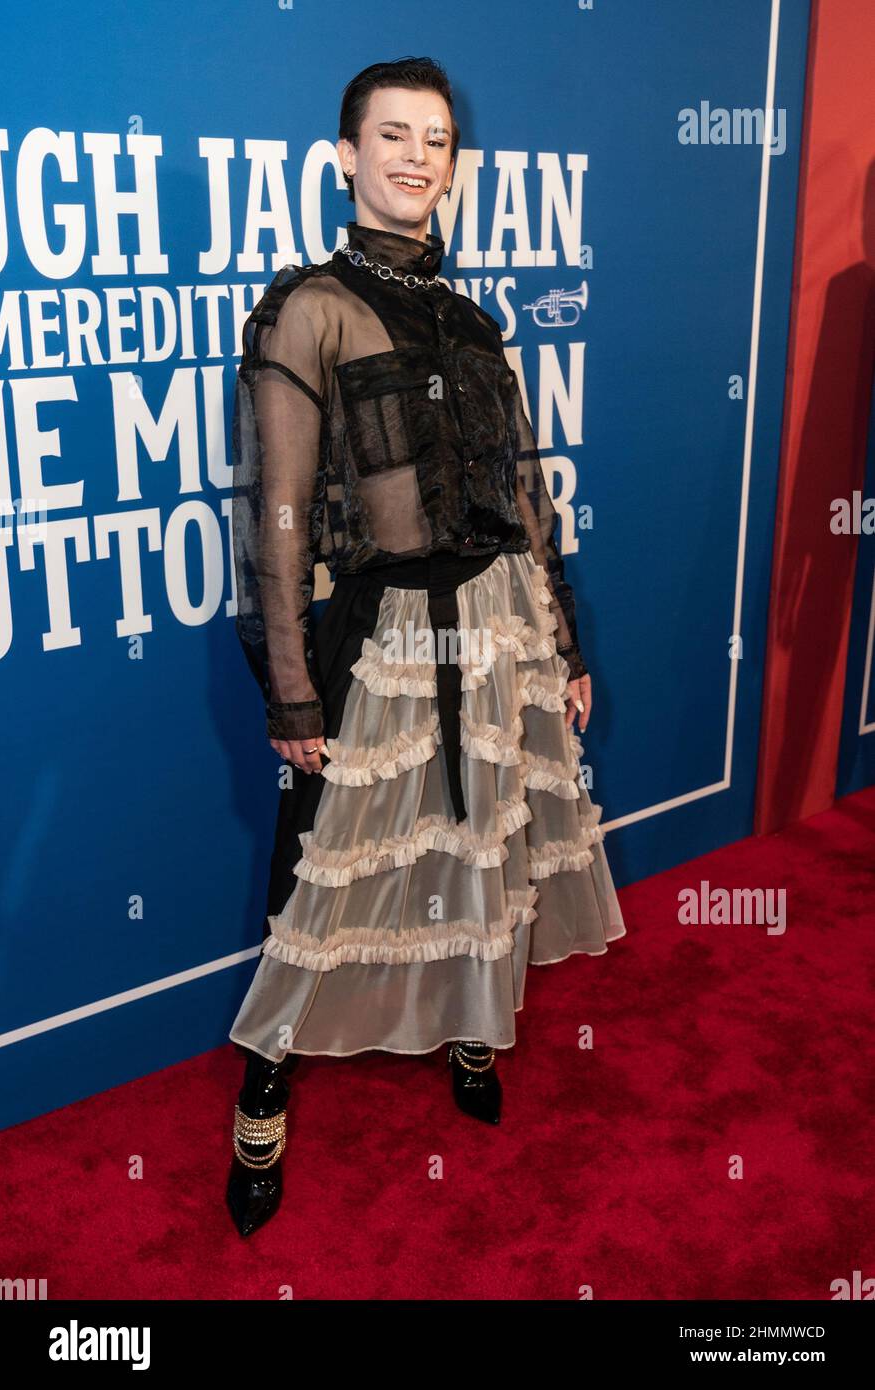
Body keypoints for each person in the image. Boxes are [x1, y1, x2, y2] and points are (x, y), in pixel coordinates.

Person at [225, 56, 626, 1238]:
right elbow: (280, 513)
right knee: (318, 864)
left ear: (453, 163)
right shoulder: (310, 307)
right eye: (391, 136)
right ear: (345, 158)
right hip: (380, 629)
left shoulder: (475, 315)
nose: (415, 157)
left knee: (481, 832)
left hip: (498, 617)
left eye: (436, 140)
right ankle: (263, 1093)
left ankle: (469, 1022)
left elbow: (523, 487)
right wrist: (291, 691)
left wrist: (564, 632)